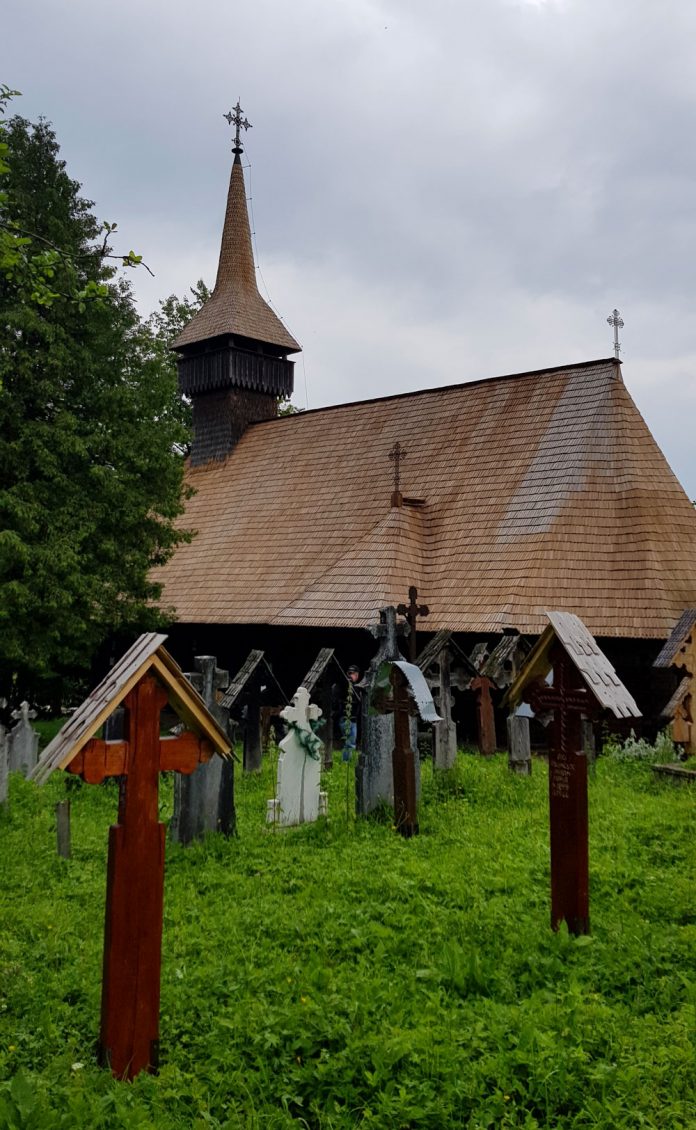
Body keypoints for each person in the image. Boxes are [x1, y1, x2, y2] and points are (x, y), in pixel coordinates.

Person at [341, 665, 362, 761]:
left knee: (350, 742)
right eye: (349, 673)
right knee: (349, 743)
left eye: (353, 674)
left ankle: (346, 760)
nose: (351, 676)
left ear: (357, 675)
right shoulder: (345, 686)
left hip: (354, 719)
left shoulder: (357, 688)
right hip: (346, 719)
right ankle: (346, 762)